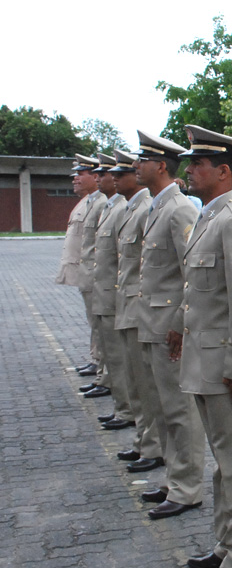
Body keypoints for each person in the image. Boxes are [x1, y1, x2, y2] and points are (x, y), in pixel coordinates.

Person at [177, 125, 232, 568]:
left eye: (199, 163)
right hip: (206, 366)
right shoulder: (209, 216)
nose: (190, 170)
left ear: (224, 171)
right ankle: (226, 546)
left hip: (227, 371)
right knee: (224, 465)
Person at [132, 130, 205, 518]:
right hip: (150, 321)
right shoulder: (156, 207)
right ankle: (174, 478)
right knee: (162, 409)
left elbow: (190, 273)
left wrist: (180, 323)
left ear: (161, 165)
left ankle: (188, 486)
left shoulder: (180, 210)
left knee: (179, 412)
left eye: (143, 160)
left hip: (169, 328)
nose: (135, 166)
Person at [110, 149, 165, 467]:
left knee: (150, 389)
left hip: (147, 311)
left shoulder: (149, 208)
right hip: (131, 305)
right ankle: (146, 441)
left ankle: (153, 445)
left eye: (125, 171)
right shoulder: (140, 208)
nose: (122, 174)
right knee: (136, 383)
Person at [89, 152, 135, 428]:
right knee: (119, 365)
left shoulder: (124, 209)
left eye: (118, 173)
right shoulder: (114, 207)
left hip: (124, 302)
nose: (109, 178)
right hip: (109, 296)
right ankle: (125, 411)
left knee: (125, 367)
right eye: (111, 173)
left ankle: (128, 413)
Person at [57, 154, 100, 377]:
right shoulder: (86, 202)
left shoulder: (100, 202)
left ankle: (100, 363)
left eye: (80, 174)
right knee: (93, 319)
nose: (75, 179)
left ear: (95, 176)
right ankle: (97, 360)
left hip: (96, 274)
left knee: (99, 322)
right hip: (85, 273)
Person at [77, 156, 109, 396]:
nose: (99, 177)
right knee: (98, 329)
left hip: (105, 280)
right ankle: (101, 371)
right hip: (93, 275)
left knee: (107, 335)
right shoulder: (96, 203)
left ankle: (105, 376)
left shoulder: (103, 204)